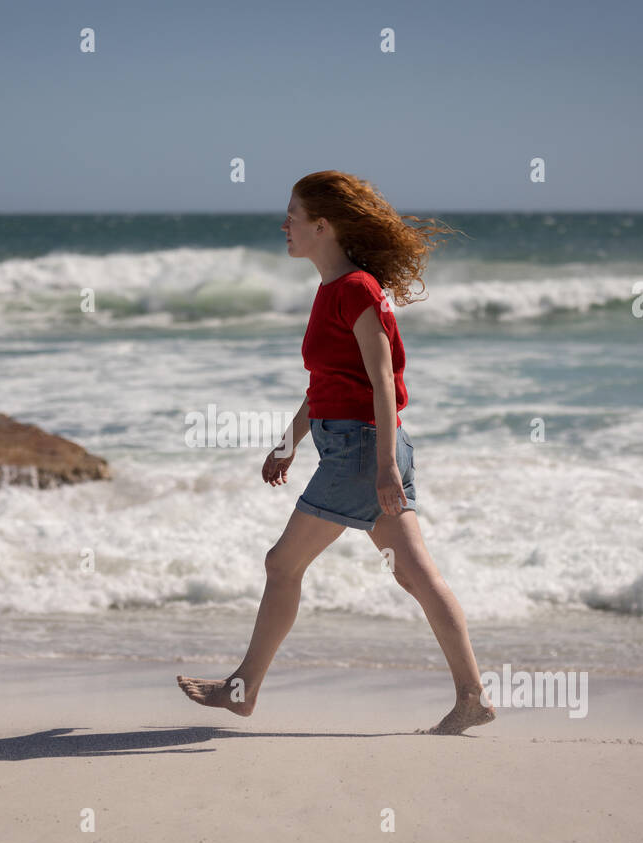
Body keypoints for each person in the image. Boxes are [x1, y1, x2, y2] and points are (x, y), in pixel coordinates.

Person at [177, 170, 494, 735]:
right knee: (417, 575)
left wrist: (384, 468)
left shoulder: (356, 289)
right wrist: (289, 441)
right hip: (355, 443)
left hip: (361, 451)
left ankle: (242, 689)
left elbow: (379, 383)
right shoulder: (335, 289)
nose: (285, 226)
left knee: (283, 563)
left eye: (293, 217)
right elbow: (328, 382)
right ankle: (472, 697)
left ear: (322, 226)